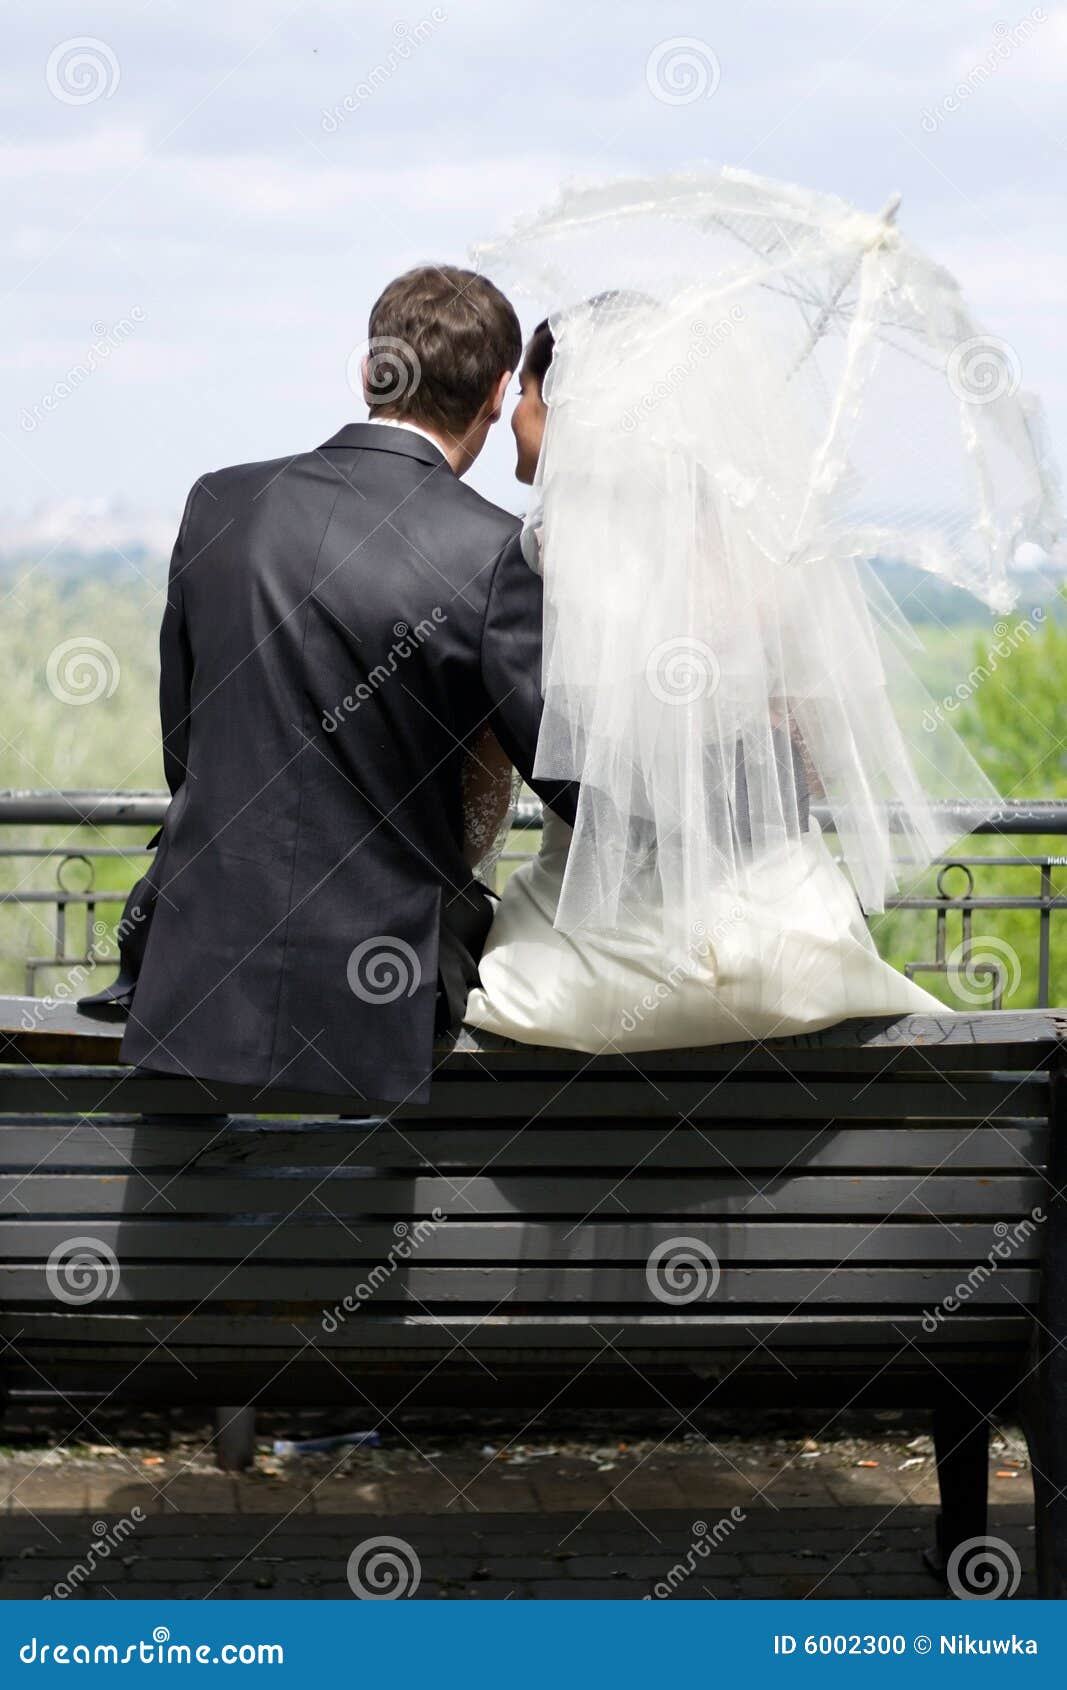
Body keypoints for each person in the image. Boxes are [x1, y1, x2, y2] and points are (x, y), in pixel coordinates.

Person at [80, 265, 575, 1103]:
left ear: (371, 370)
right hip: (381, 1005)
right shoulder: (497, 553)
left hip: (194, 981)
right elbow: (566, 780)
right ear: (498, 396)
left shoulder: (220, 504)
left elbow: (185, 748)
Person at [463, 307, 975, 1052]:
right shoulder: (767, 558)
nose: (516, 414)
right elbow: (824, 766)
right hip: (789, 958)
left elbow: (517, 756)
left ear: (570, 402)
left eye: (528, 394)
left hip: (576, 975)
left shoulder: (543, 561)